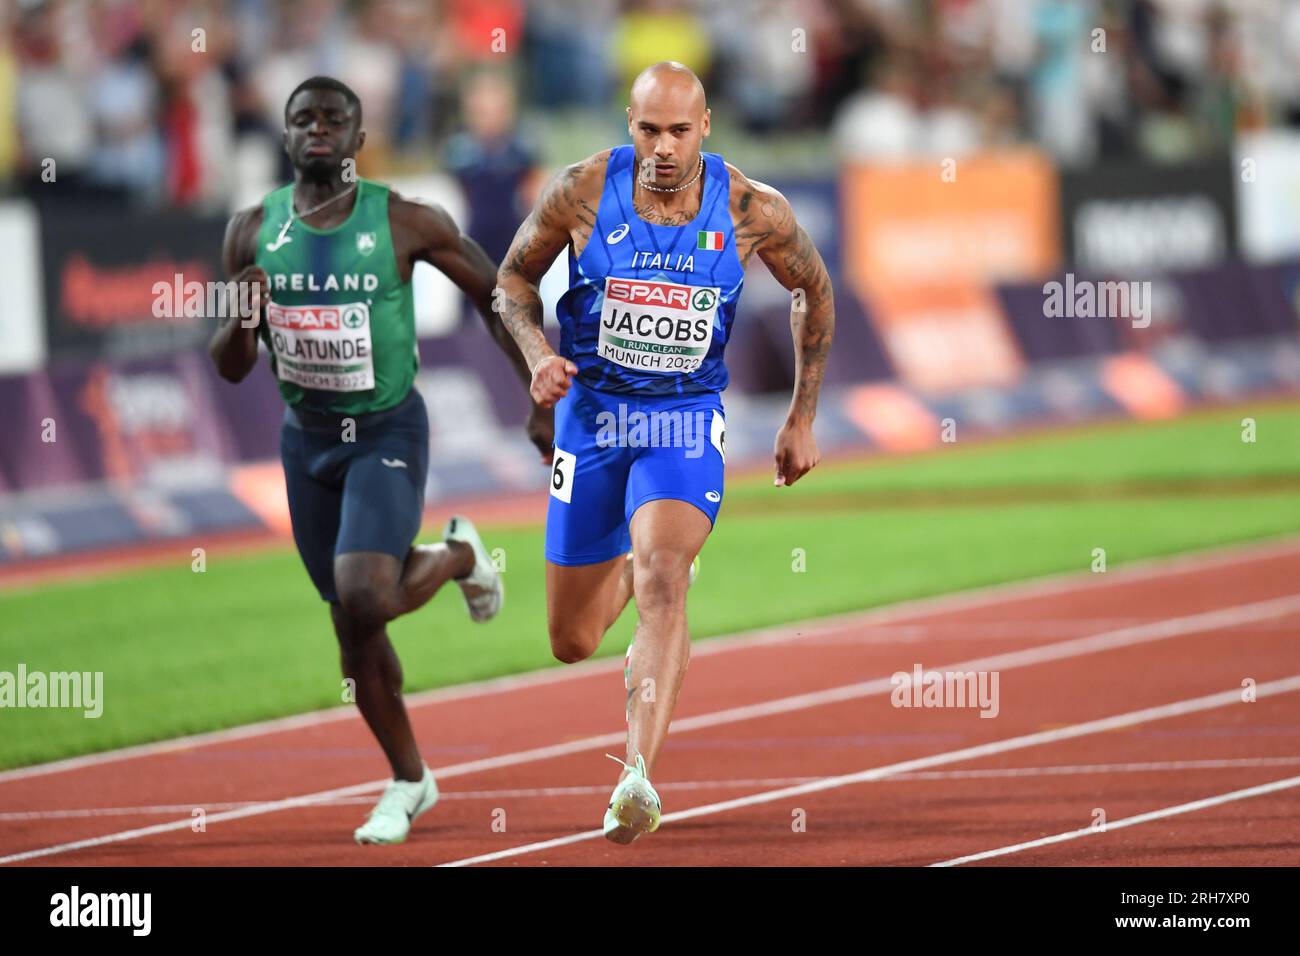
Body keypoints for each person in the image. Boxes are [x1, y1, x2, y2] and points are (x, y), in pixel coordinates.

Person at [495, 61, 834, 844]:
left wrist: (800, 416)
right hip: (592, 420)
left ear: (706, 127)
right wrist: (535, 352)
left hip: (683, 420)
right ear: (628, 124)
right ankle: (638, 560)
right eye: (648, 129)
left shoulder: (752, 207)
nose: (664, 147)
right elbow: (512, 279)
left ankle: (635, 778)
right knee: (572, 641)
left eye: (680, 130)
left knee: (662, 575)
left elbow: (814, 288)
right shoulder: (582, 188)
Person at [208, 76, 549, 845]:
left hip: (387, 431)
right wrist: (243, 318)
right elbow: (229, 366)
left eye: (335, 119)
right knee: (353, 633)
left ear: (360, 140)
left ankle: (461, 554)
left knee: (366, 593)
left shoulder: (404, 220)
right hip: (307, 442)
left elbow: (497, 295)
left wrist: (540, 391)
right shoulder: (247, 232)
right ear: (285, 134)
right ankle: (409, 780)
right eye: (303, 119)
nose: (318, 129)